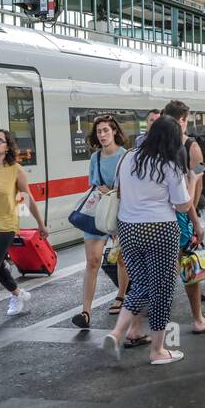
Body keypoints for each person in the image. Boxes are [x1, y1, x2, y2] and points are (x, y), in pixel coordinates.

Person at [102, 116, 194, 364]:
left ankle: (116, 332)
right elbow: (183, 205)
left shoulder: (128, 157)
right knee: (161, 290)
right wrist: (192, 183)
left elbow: (119, 190)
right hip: (160, 229)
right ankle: (158, 350)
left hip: (128, 229)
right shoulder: (169, 165)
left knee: (141, 285)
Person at [0, 129, 48, 333]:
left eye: (0, 140)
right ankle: (17, 294)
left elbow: (27, 198)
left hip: (4, 226)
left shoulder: (15, 169)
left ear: (7, 147)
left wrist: (41, 224)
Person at [162, 100, 205, 331]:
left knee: (188, 262)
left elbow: (195, 184)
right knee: (178, 263)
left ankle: (199, 314)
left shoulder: (192, 147)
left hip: (184, 211)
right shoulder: (164, 145)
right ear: (181, 120)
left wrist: (193, 213)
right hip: (169, 214)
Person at [73, 115, 130, 329]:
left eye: (106, 130)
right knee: (93, 261)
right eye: (99, 132)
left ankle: (121, 296)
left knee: (122, 259)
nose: (103, 135)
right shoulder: (94, 158)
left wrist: (115, 191)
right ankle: (85, 311)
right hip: (99, 212)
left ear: (114, 131)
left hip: (120, 210)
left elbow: (131, 186)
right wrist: (100, 190)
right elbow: (92, 184)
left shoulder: (125, 156)